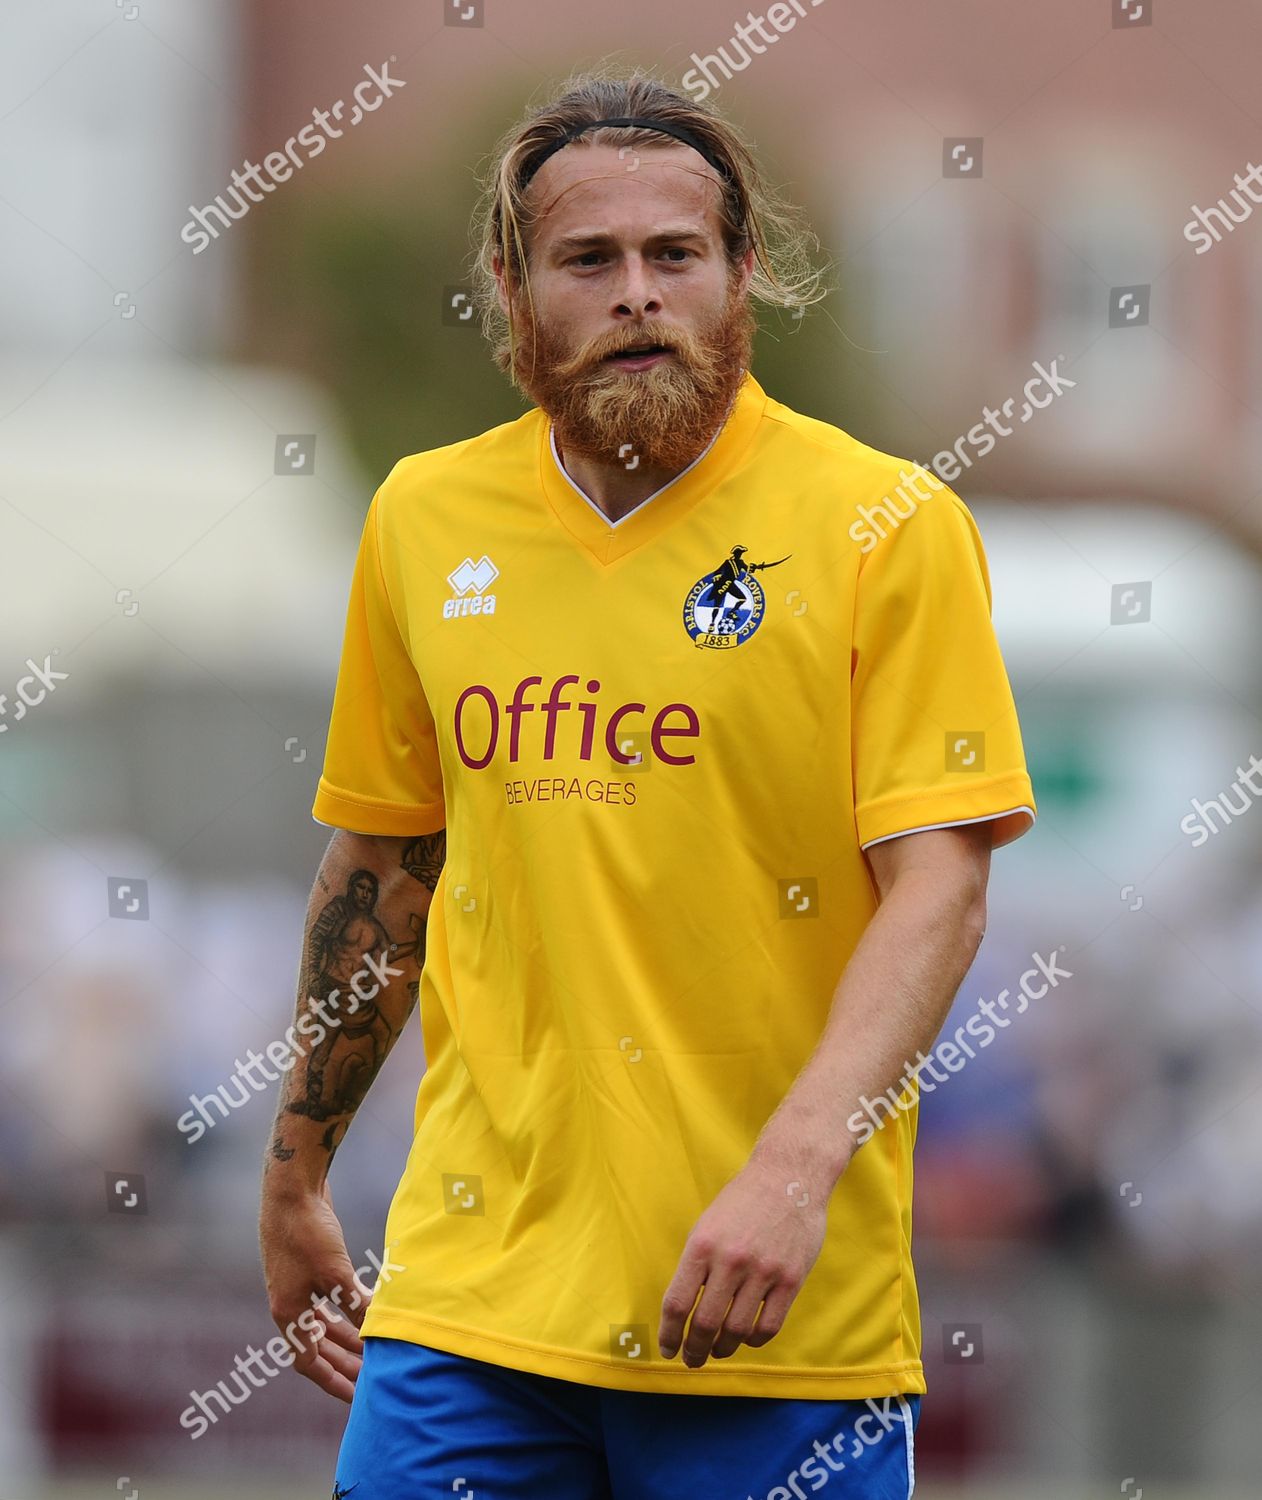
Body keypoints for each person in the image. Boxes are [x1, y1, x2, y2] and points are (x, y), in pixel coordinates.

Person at [260, 64, 1036, 1500]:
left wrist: (791, 1175)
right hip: (469, 1311)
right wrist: (298, 1173)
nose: (635, 293)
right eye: (587, 260)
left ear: (742, 273)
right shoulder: (424, 520)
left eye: (674, 254)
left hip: (764, 1313)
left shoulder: (885, 525)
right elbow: (383, 869)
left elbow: (938, 891)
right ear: (511, 288)